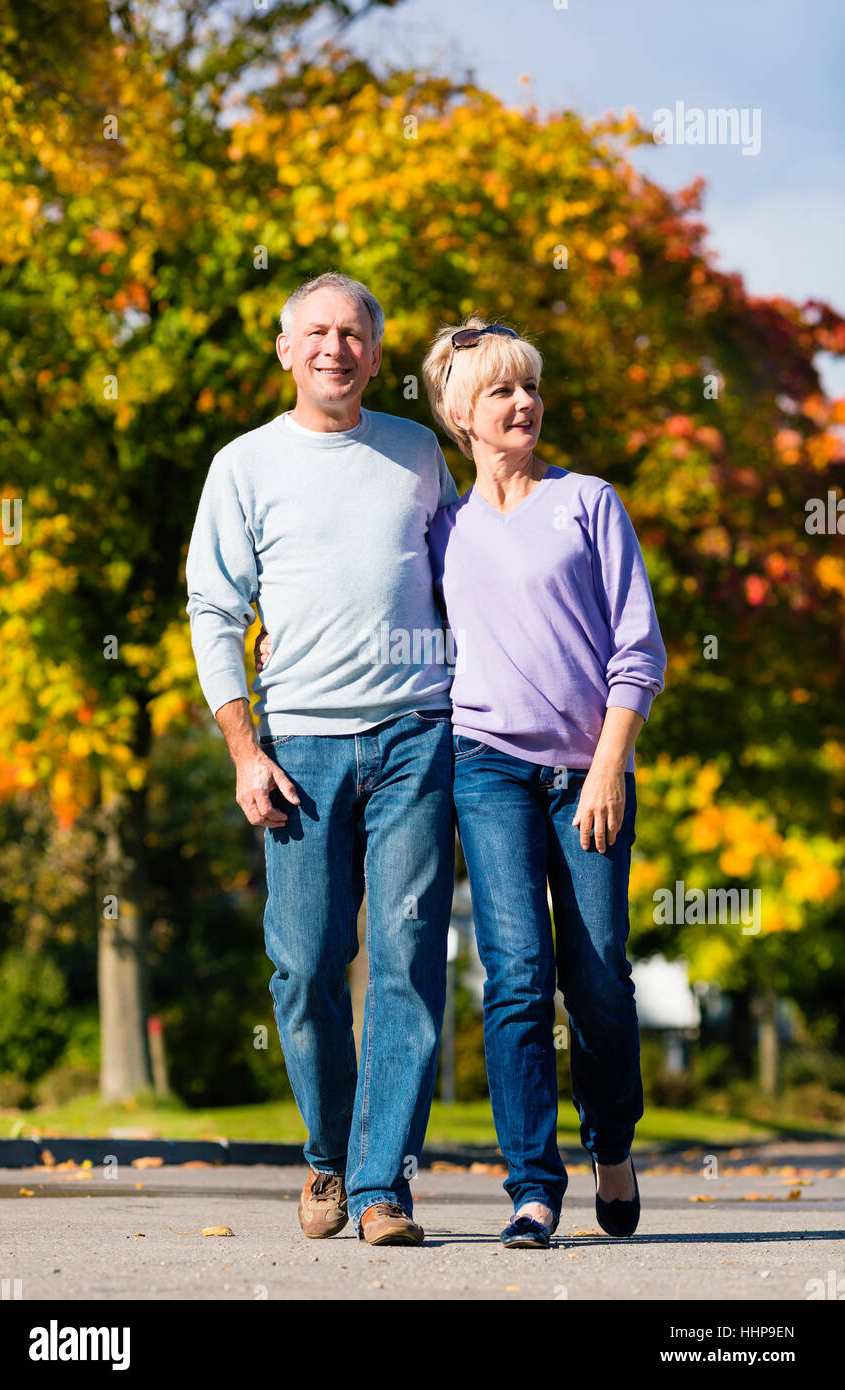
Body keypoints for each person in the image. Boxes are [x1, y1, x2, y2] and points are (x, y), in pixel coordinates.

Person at [185, 273, 459, 1247]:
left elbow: (464, 581)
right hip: (295, 747)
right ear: (285, 347)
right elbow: (214, 608)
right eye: (317, 331)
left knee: (406, 958)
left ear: (376, 356)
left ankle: (382, 1183)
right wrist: (241, 746)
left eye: (353, 333)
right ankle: (328, 1158)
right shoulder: (243, 464)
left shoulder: (419, 452)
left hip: (414, 737)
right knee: (303, 965)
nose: (335, 346)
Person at [420, 317, 667, 1248]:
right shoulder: (444, 528)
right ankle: (532, 1186)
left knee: (598, 979)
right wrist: (274, 637)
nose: (523, 404)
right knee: (515, 975)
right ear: (462, 416)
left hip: (588, 769)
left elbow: (639, 650)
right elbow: (377, 610)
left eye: (529, 387)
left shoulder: (589, 502)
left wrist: (609, 763)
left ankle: (611, 1144)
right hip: (487, 768)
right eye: (500, 392)